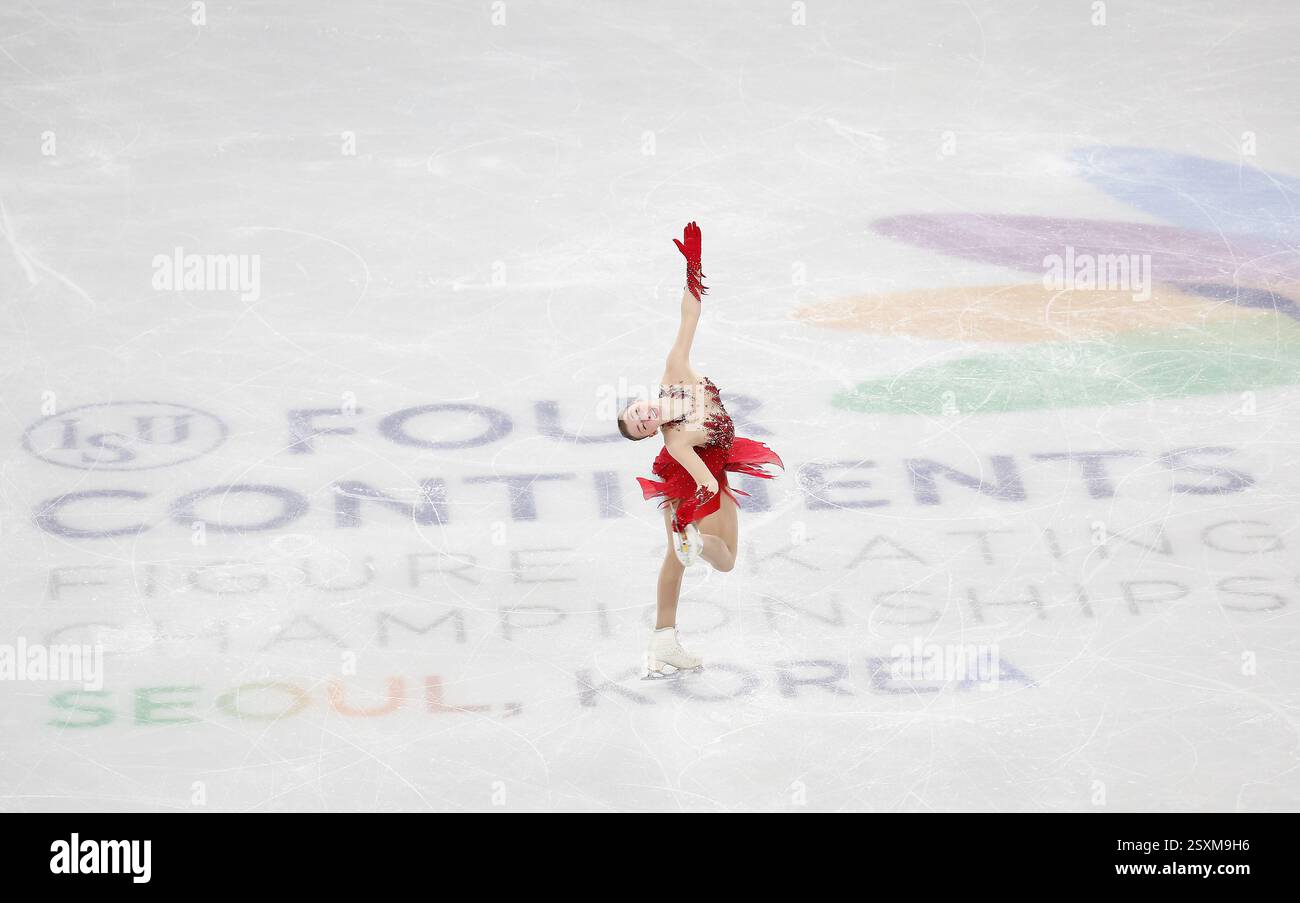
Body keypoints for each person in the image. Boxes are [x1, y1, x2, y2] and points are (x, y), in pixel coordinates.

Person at [618, 222, 784, 677]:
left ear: (640, 402)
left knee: (678, 563)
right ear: (650, 432)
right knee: (725, 561)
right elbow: (704, 480)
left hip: (711, 474)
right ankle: (695, 542)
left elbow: (688, 318)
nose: (642, 415)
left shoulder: (676, 373)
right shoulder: (678, 439)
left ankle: (663, 641)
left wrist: (693, 270)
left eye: (635, 411)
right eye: (639, 425)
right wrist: (688, 514)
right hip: (694, 484)